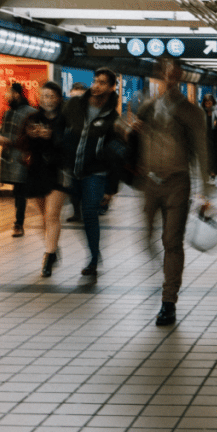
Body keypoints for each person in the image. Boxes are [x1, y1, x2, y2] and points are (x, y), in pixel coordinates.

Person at [135, 58, 212, 326]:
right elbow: (131, 139)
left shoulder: (191, 112)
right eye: (164, 74)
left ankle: (168, 301)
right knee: (147, 238)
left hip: (177, 181)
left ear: (180, 77)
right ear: (157, 75)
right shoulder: (146, 107)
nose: (169, 80)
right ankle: (168, 271)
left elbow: (201, 150)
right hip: (150, 183)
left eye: (174, 75)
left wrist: (205, 190)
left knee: (171, 240)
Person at [62, 68, 124, 278]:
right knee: (81, 215)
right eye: (95, 81)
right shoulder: (75, 105)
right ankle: (93, 251)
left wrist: (111, 188)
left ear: (112, 87)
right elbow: (60, 129)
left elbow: (116, 154)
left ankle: (93, 259)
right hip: (73, 170)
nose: (96, 86)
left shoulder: (112, 117)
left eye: (102, 82)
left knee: (89, 213)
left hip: (96, 172)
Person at [17, 82, 68, 277]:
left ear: (59, 98)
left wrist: (52, 136)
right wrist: (30, 135)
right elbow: (20, 142)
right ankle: (52, 247)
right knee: (44, 217)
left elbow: (70, 144)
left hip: (58, 171)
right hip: (37, 171)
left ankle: (48, 256)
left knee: (52, 215)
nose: (48, 100)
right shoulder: (32, 118)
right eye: (45, 96)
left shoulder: (64, 120)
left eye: (52, 96)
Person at [0, 83, 36, 237]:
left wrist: (10, 140)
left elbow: (31, 136)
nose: (6, 96)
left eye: (9, 93)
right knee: (18, 191)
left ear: (17, 94)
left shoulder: (30, 112)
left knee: (21, 191)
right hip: (10, 158)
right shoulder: (7, 113)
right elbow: (1, 131)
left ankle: (19, 223)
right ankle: (18, 223)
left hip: (23, 158)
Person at [66, 82, 87, 223]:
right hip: (71, 154)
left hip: (86, 155)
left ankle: (86, 211)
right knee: (74, 186)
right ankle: (77, 212)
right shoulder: (67, 109)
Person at [201, 94, 217, 181]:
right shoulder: (202, 112)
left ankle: (213, 173)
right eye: (206, 103)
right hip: (206, 137)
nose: (208, 105)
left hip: (216, 137)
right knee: (208, 156)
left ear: (213, 103)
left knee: (215, 155)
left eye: (210, 103)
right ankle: (209, 172)